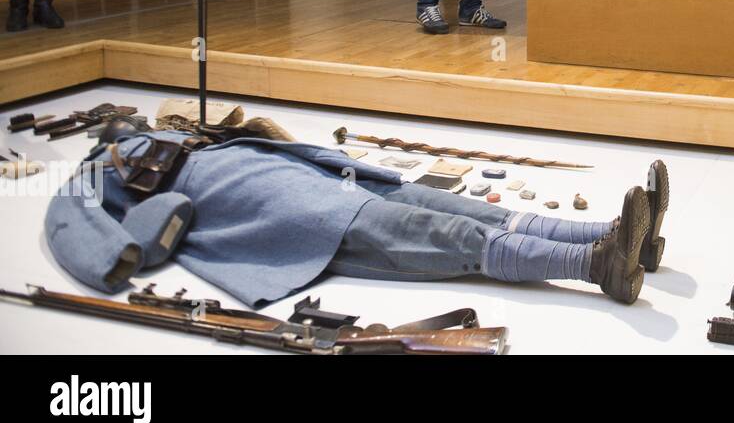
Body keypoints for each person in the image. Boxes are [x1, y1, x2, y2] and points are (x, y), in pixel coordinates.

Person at [47, 122, 673, 306]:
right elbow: (70, 220)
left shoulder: (177, 134)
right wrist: (126, 252)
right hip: (290, 218)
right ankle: (596, 266)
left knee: (457, 207)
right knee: (449, 235)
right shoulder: (96, 172)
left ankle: (619, 235)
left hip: (325, 181)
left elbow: (265, 138)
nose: (135, 128)